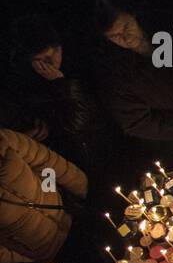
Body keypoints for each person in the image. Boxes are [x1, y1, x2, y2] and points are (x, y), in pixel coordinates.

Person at [92, 0, 173, 155]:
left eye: (126, 27)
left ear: (133, 15)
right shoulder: (116, 72)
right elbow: (135, 122)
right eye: (115, 36)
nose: (125, 38)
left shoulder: (172, 29)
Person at [4, 14, 109, 172]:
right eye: (42, 60)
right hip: (68, 162)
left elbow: (85, 119)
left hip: (103, 147)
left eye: (55, 52)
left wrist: (62, 83)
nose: (52, 62)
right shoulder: (24, 85)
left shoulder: (82, 64)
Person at [0, 128, 86, 263]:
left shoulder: (4, 142)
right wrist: (32, 262)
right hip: (52, 255)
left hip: (76, 216)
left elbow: (47, 163)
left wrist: (80, 187)